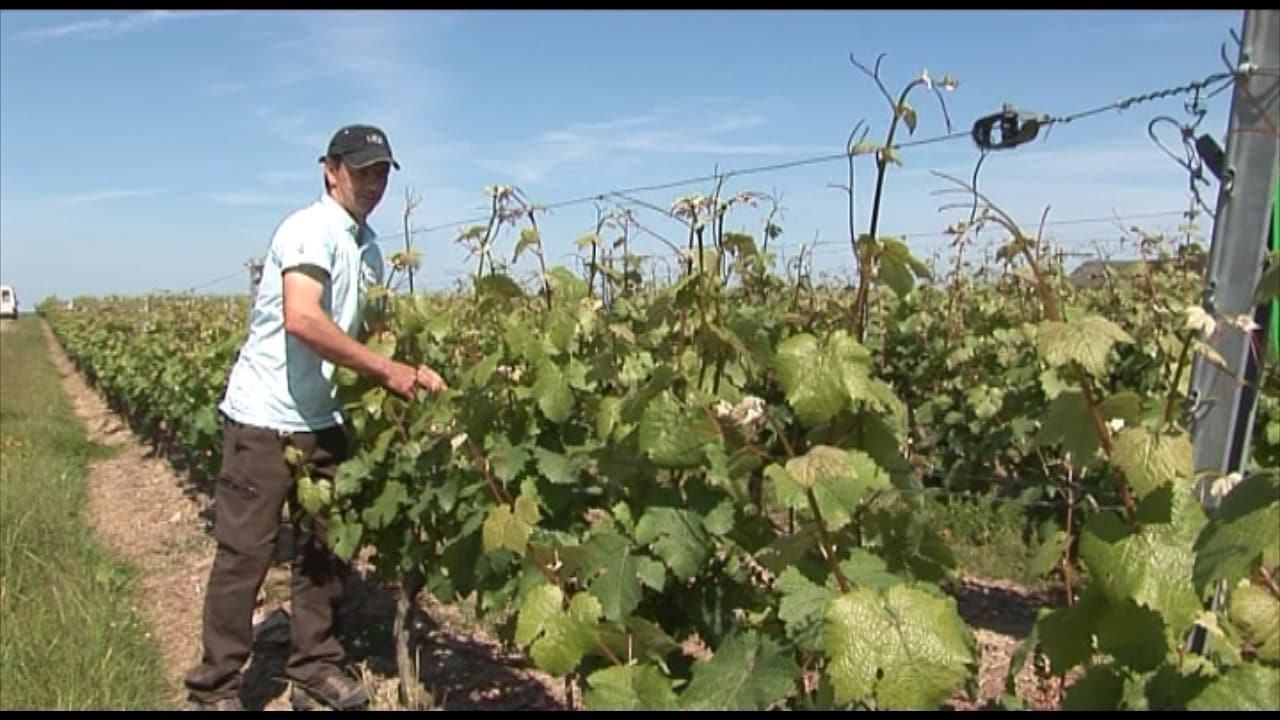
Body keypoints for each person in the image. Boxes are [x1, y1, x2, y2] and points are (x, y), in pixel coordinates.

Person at [184, 124, 446, 711]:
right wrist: (384, 371)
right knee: (245, 555)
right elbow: (304, 319)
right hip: (264, 418)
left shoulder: (368, 246)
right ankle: (215, 687)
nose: (373, 183)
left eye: (382, 173)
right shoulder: (308, 229)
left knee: (323, 552)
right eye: (362, 171)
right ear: (330, 170)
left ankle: (313, 670)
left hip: (323, 419)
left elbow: (364, 329)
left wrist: (410, 364)